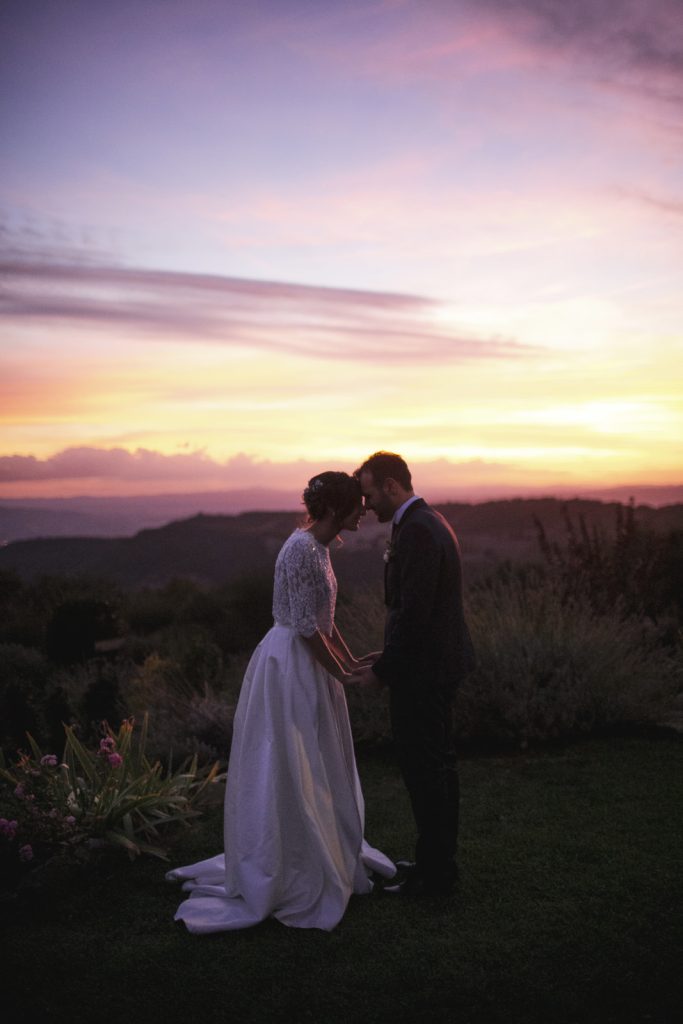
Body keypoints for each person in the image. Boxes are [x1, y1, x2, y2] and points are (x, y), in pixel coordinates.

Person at [166, 471, 395, 932]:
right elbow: (306, 629)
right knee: (291, 758)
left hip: (310, 660)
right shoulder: (300, 550)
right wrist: (341, 675)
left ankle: (318, 844)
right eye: (357, 506)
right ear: (334, 510)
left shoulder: (320, 549)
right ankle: (291, 859)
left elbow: (324, 620)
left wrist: (350, 662)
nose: (364, 512)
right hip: (290, 665)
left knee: (318, 756)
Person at [350, 452, 474, 898]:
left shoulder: (419, 530)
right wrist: (388, 652)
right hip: (430, 665)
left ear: (390, 485)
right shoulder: (423, 522)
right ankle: (434, 863)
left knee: (427, 772)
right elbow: (418, 611)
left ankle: (436, 876)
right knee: (435, 768)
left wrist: (383, 671)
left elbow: (417, 613)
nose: (365, 505)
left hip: (425, 674)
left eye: (368, 493)